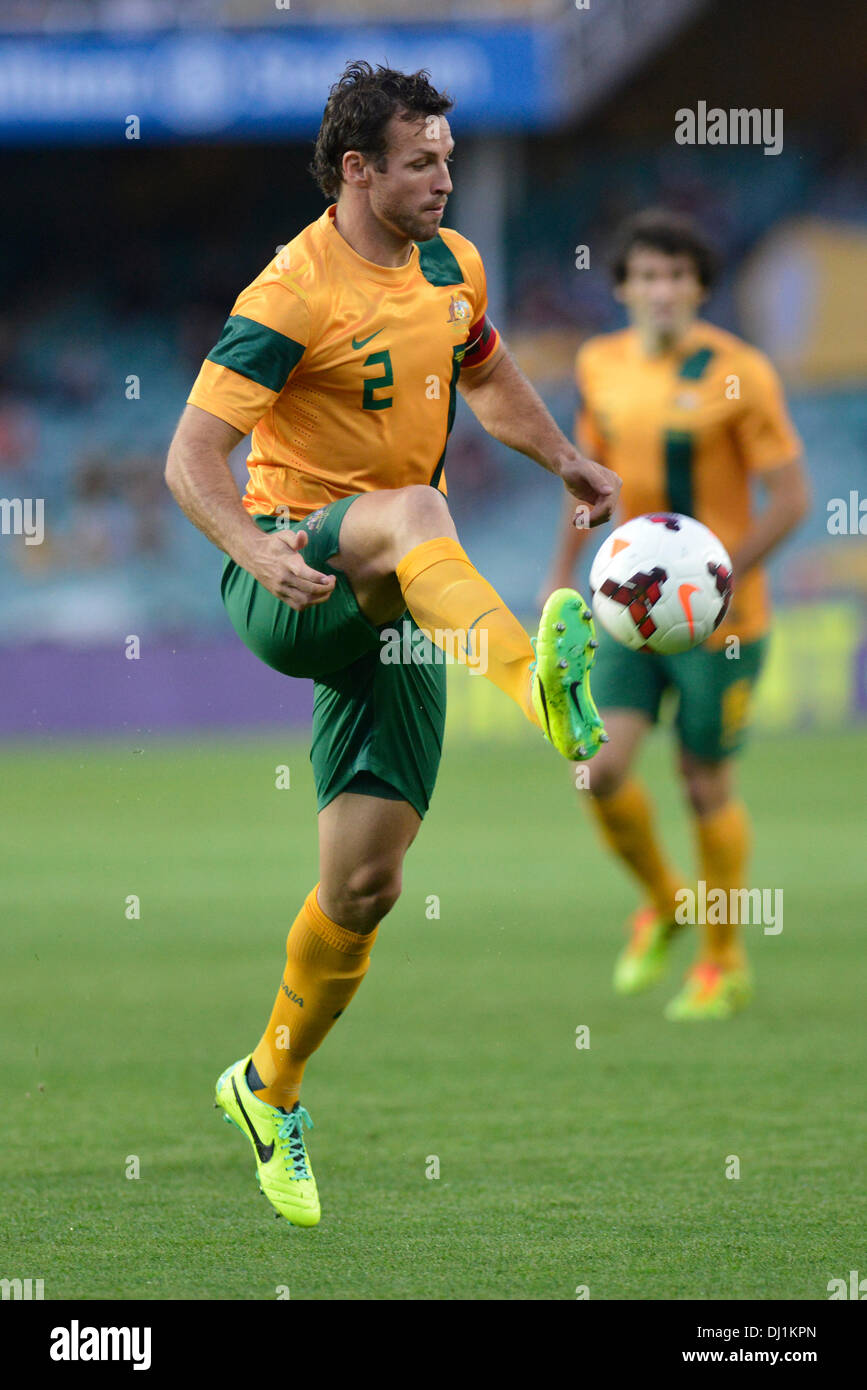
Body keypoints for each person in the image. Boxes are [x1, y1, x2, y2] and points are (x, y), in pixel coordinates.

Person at [165, 61, 620, 1226]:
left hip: (398, 603)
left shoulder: (449, 266)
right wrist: (253, 547)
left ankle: (268, 1085)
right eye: (424, 162)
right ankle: (544, 697)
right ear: (359, 169)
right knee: (421, 511)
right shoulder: (291, 292)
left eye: (451, 159)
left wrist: (561, 456)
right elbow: (190, 457)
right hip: (298, 575)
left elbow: (492, 373)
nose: (446, 181)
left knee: (364, 887)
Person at [542, 208, 809, 1021]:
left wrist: (721, 580)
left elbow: (792, 500)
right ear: (623, 288)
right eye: (647, 276)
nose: (662, 290)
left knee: (702, 782)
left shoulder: (742, 373)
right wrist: (562, 582)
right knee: (597, 770)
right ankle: (665, 901)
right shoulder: (598, 365)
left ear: (699, 286)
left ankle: (721, 961)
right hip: (625, 614)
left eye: (678, 276)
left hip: (723, 627)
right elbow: (587, 486)